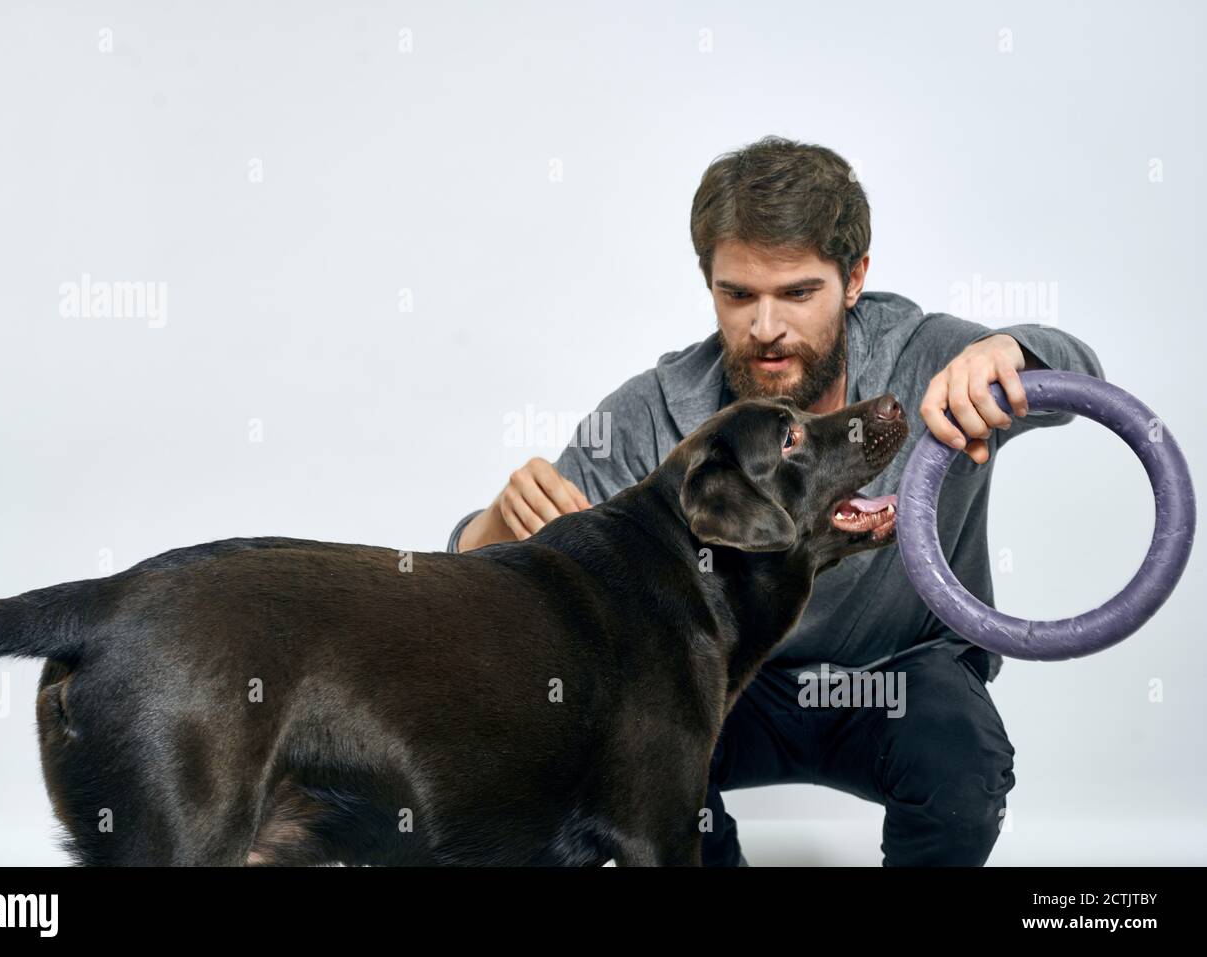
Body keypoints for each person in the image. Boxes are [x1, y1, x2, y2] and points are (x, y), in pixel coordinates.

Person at [445, 135, 1105, 866]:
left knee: (962, 763)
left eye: (796, 293)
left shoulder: (931, 360)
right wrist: (496, 521)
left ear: (853, 278)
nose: (765, 329)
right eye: (738, 295)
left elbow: (1082, 382)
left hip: (900, 679)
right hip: (722, 687)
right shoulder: (652, 414)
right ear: (710, 288)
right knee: (627, 740)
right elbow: (490, 582)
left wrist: (1013, 351)